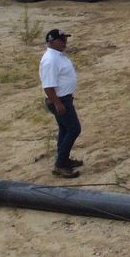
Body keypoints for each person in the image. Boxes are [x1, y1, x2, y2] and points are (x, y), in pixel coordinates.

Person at [39, 29, 83, 178]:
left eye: (65, 39)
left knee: (65, 130)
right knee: (74, 129)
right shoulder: (50, 60)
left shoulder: (58, 56)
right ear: (52, 41)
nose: (65, 42)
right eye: (62, 40)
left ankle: (63, 159)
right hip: (59, 100)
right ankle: (60, 164)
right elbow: (48, 86)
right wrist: (58, 104)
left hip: (64, 99)